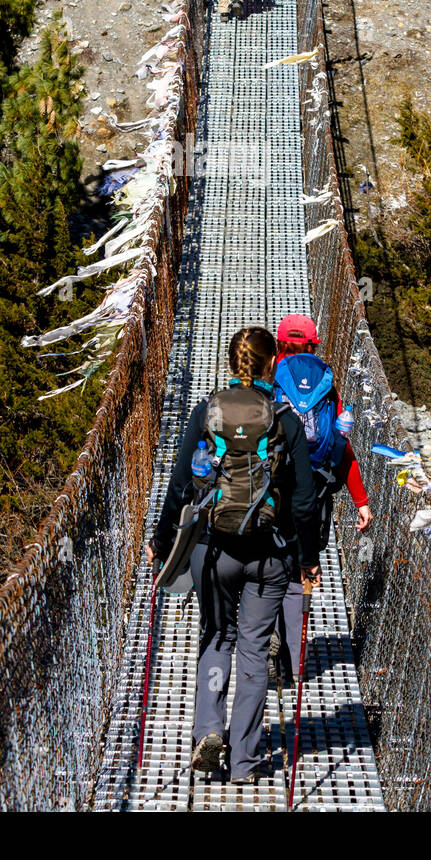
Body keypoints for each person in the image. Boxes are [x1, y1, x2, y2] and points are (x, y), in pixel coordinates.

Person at [147, 326, 321, 784]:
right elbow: (303, 501)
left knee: (216, 639)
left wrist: (163, 540)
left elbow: (182, 484)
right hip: (270, 557)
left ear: (230, 365)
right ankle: (245, 760)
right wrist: (308, 558)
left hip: (213, 551)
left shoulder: (207, 411)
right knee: (253, 651)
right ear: (272, 364)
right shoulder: (286, 418)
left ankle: (208, 731)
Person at [272, 313, 371, 678]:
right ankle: (293, 664)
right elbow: (341, 445)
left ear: (278, 344)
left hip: (274, 491)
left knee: (269, 568)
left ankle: (267, 637)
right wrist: (360, 500)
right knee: (303, 572)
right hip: (315, 493)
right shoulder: (326, 383)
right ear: (314, 344)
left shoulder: (269, 378)